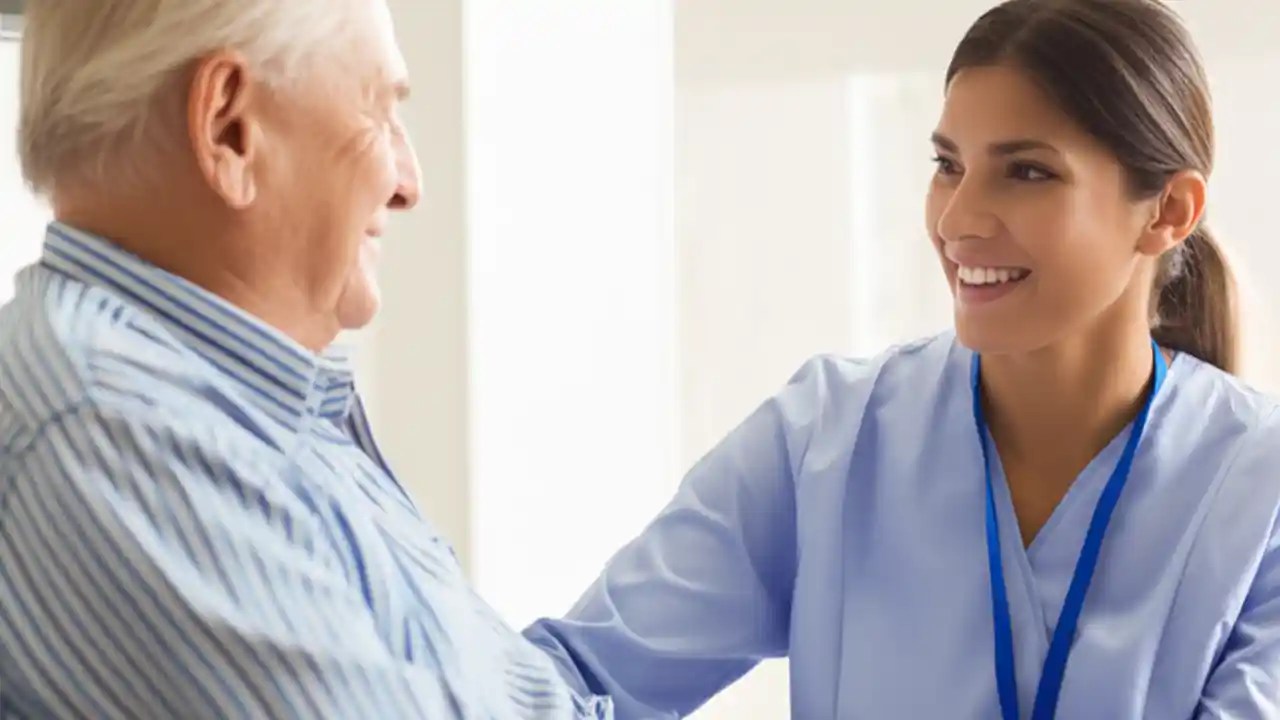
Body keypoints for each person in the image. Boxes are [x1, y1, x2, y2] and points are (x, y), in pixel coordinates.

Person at [524, 0, 1280, 717]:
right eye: (948, 165)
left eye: (1026, 171)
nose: (957, 219)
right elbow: (579, 682)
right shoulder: (825, 441)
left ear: (1168, 211)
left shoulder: (1259, 491)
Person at [0, 1, 611, 718]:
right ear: (229, 127)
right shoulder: (116, 424)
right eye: (379, 112)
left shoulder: (236, 406)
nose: (409, 182)